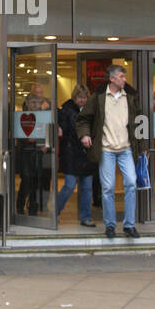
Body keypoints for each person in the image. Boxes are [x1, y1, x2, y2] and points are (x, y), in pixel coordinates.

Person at [76, 64, 146, 239]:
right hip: (106, 148)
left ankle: (129, 225)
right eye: (122, 76)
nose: (124, 79)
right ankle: (110, 226)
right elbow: (83, 118)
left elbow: (139, 121)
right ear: (112, 78)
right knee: (107, 188)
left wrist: (142, 146)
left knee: (131, 182)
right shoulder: (98, 97)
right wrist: (84, 135)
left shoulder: (130, 96)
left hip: (126, 148)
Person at [55, 85, 95, 226]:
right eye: (80, 98)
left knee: (87, 188)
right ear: (74, 97)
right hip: (71, 153)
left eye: (84, 98)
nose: (82, 100)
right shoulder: (66, 110)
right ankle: (56, 210)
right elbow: (63, 129)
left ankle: (85, 217)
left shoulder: (91, 110)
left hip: (86, 153)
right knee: (70, 185)